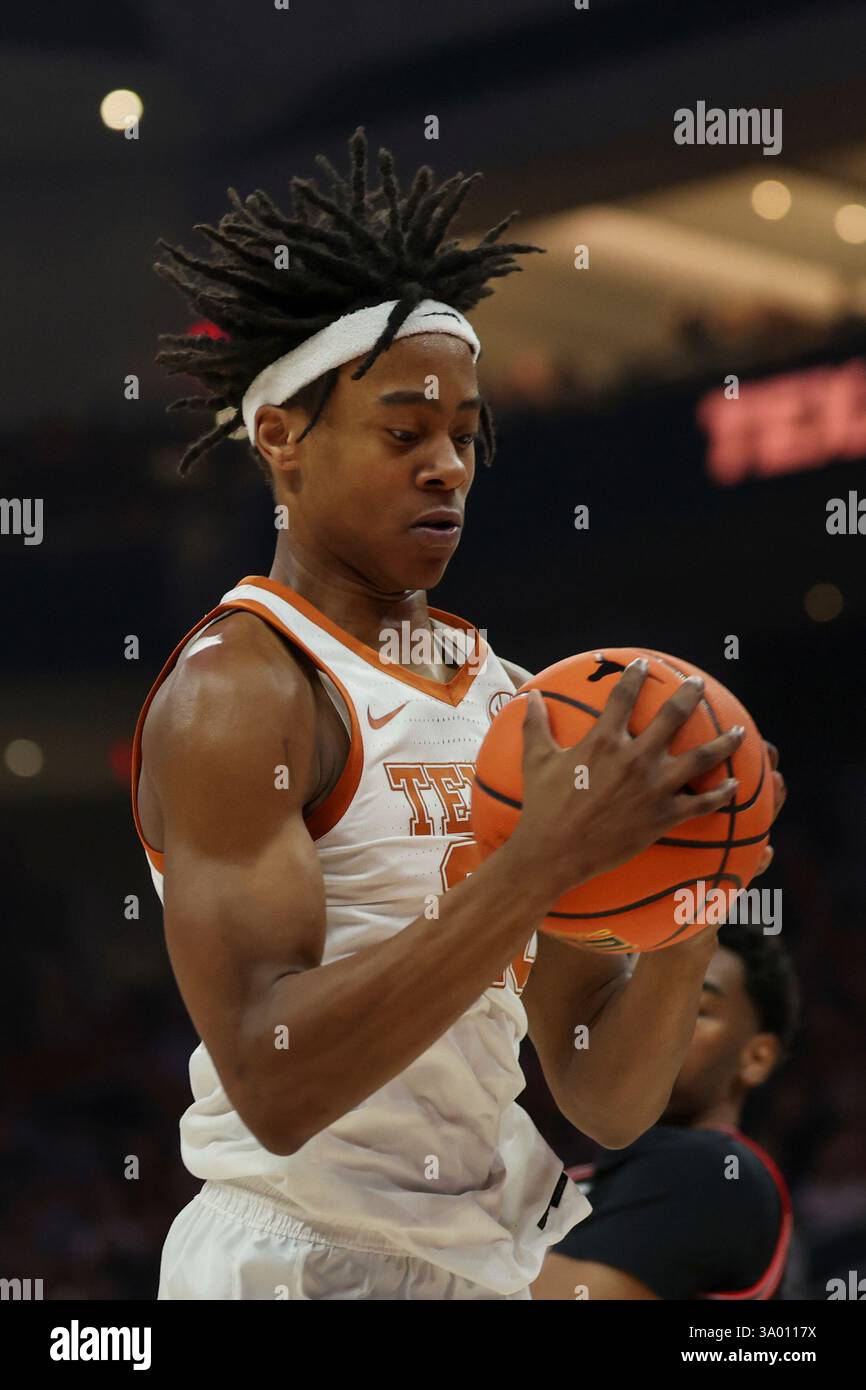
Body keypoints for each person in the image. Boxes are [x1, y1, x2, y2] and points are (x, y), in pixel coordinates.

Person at [130, 127, 786, 1300]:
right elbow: (274, 1085)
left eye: (462, 435)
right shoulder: (242, 690)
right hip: (292, 1259)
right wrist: (535, 866)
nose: (446, 465)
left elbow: (598, 1093)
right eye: (402, 432)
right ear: (281, 435)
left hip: (486, 1257)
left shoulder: (510, 702)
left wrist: (694, 883)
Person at [531, 922, 799, 1300]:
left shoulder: (712, 1168)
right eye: (645, 998)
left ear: (756, 1058)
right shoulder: (610, 1167)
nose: (664, 1024)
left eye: (699, 1009)